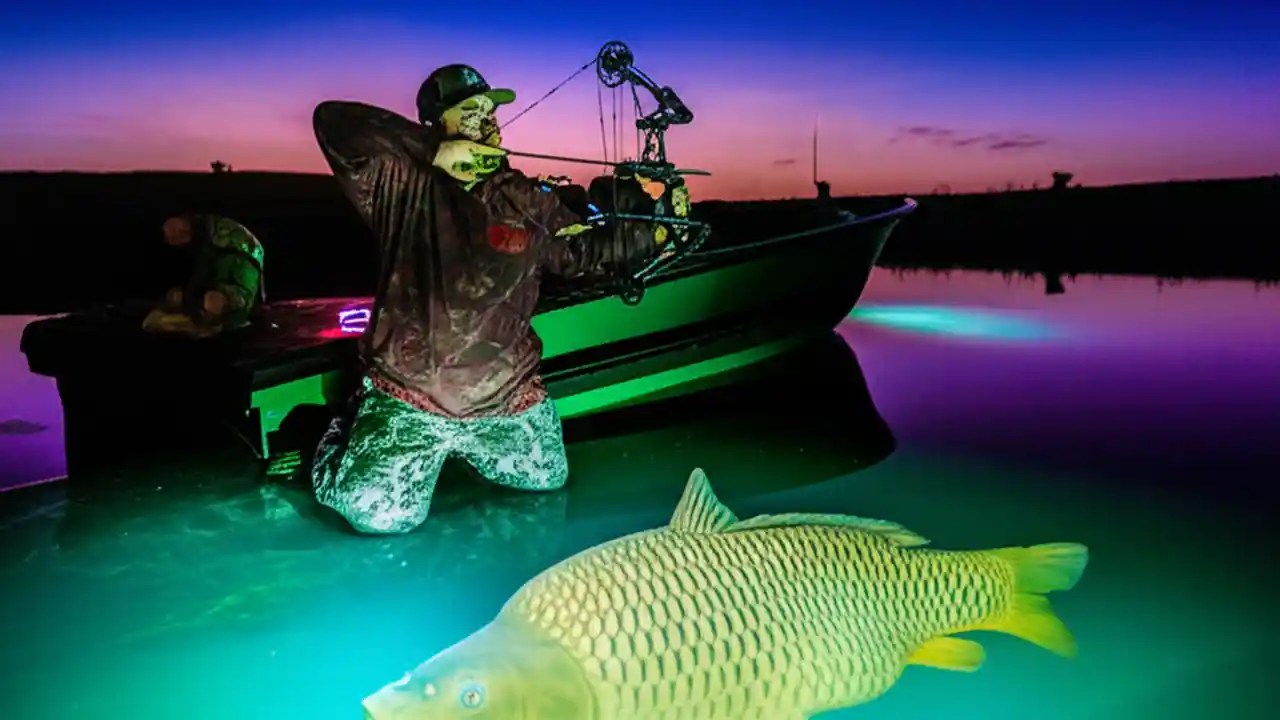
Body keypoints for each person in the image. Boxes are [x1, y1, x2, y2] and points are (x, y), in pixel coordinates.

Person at [309, 63, 686, 534]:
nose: (486, 120)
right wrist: (434, 153)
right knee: (378, 517)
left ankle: (460, 450)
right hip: (410, 395)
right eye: (470, 111)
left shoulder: (523, 198)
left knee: (546, 478)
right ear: (436, 122)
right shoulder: (400, 180)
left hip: (505, 394)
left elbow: (580, 253)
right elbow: (333, 122)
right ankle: (344, 429)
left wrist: (655, 228)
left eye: (489, 110)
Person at [141, 213, 265, 338]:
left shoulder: (224, 251)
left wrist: (189, 299)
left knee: (212, 302)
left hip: (236, 304)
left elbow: (209, 280)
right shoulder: (211, 240)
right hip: (235, 294)